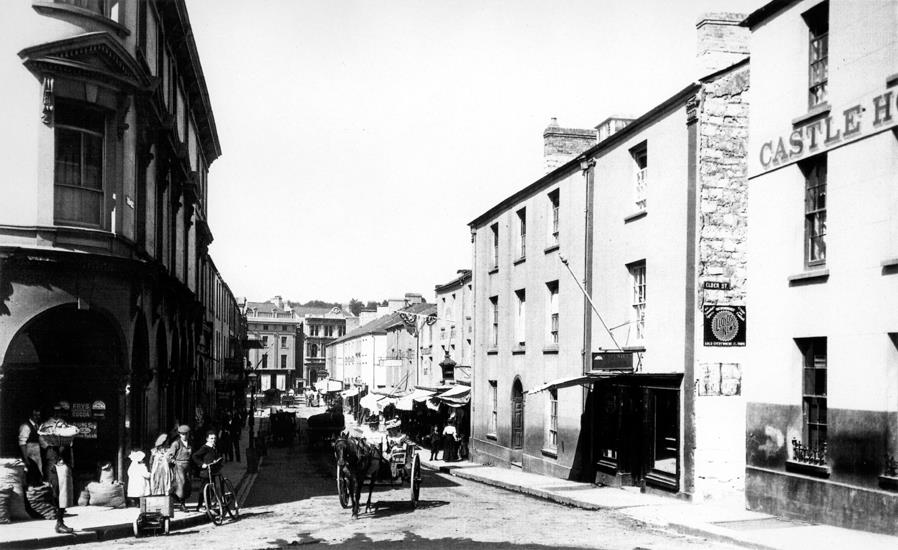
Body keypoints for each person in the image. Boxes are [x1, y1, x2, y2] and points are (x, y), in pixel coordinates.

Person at [192, 431, 223, 512]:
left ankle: (208, 506)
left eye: (214, 438)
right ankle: (199, 506)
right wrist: (202, 464)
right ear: (207, 439)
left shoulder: (213, 447)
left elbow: (214, 456)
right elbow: (195, 456)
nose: (213, 440)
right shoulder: (205, 448)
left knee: (212, 490)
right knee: (203, 490)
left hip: (212, 471)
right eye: (211, 438)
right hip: (205, 472)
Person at [169, 425, 193, 512]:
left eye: (186, 434)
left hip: (188, 466)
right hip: (179, 466)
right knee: (181, 485)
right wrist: (174, 462)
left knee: (187, 485)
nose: (185, 436)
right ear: (179, 434)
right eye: (182, 434)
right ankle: (182, 504)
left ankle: (172, 495)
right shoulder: (176, 443)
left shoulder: (190, 443)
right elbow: (170, 455)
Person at [18, 408, 43, 482]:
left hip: (37, 454)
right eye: (35, 415)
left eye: (38, 415)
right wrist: (26, 459)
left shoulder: (37, 425)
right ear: (31, 415)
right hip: (30, 453)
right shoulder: (25, 426)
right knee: (30, 474)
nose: (37, 417)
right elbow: (22, 443)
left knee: (37, 473)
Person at [149, 434, 173, 498]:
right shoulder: (154, 451)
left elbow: (171, 459)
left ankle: (166, 494)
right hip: (156, 469)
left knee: (166, 481)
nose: (168, 442)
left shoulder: (169, 450)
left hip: (165, 469)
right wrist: (151, 469)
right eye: (167, 441)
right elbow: (151, 461)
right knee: (156, 481)